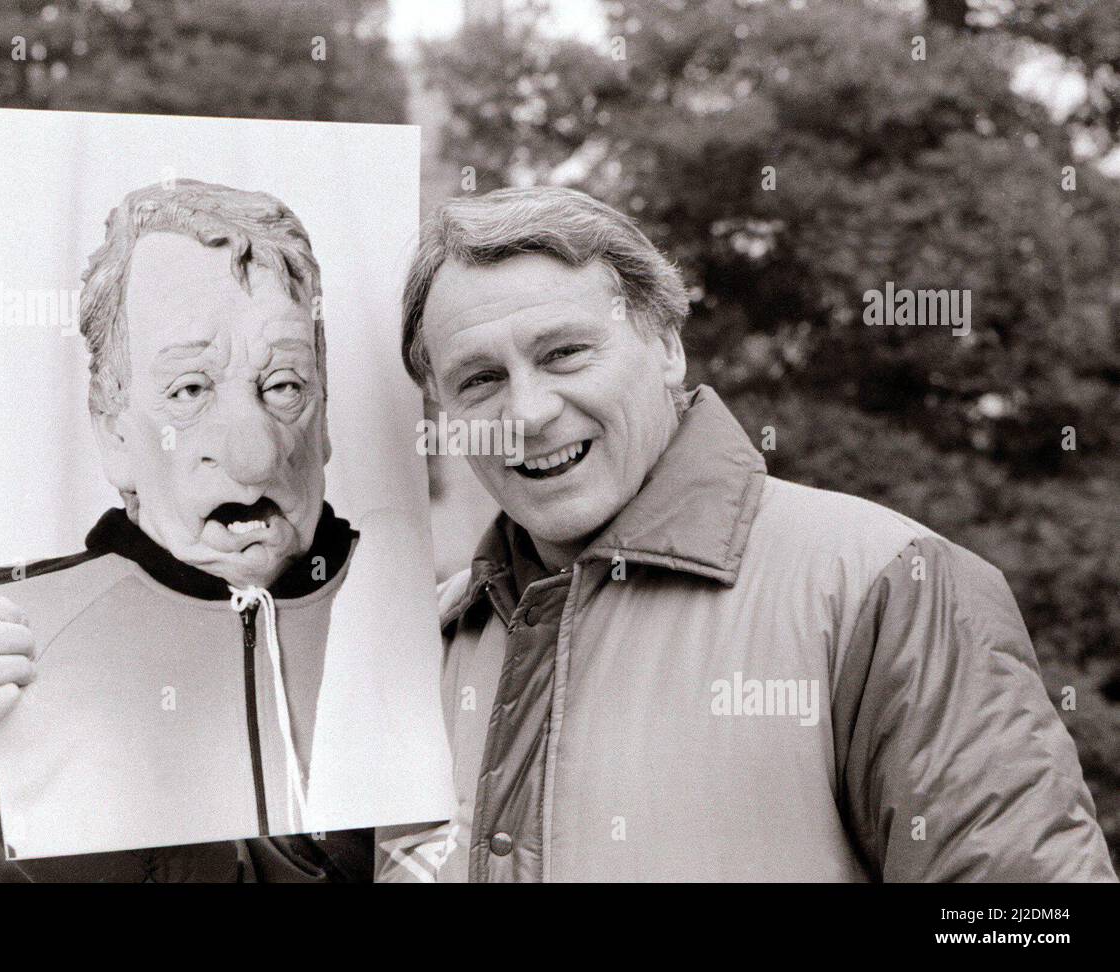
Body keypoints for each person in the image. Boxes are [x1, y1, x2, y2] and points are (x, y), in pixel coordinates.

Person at [376, 185, 1117, 882]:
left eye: (564, 353)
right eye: (479, 380)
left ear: (667, 346)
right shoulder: (413, 651)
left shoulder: (889, 585)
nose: (528, 412)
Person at [0, 180, 370, 881]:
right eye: (190, 390)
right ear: (113, 431)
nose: (253, 451)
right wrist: (7, 754)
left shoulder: (413, 618)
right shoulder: (45, 636)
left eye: (285, 384)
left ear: (324, 414)